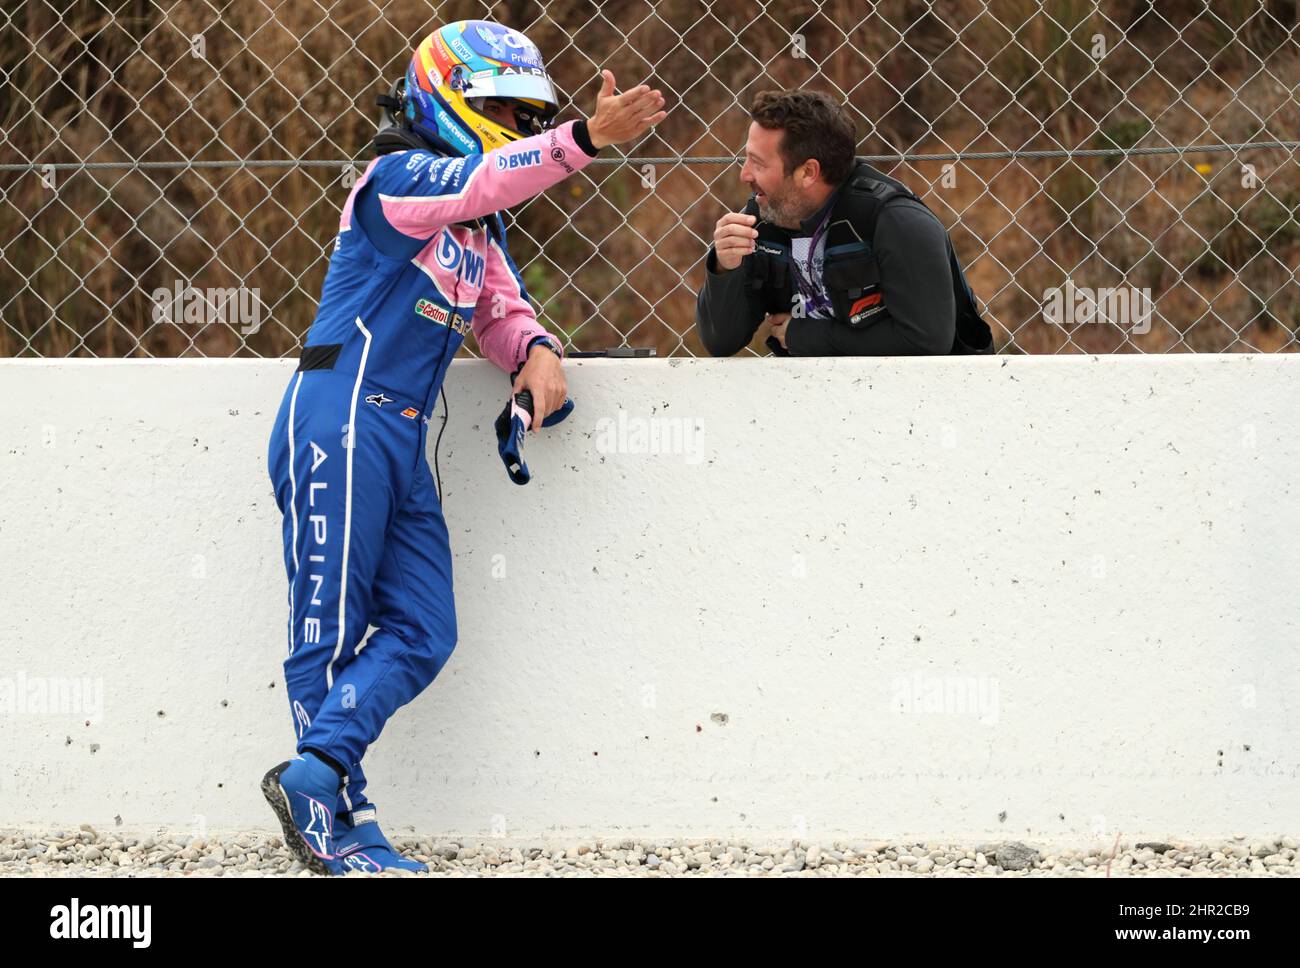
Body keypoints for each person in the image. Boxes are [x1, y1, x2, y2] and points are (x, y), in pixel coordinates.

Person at [262, 19, 665, 875]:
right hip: (337, 416)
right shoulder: (397, 179)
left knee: (424, 628)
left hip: (404, 437)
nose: (520, 126)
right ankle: (344, 828)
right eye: (505, 107)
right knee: (329, 633)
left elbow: (503, 313)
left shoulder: (481, 232)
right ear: (445, 94)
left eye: (532, 113)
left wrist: (537, 353)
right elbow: (483, 177)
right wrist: (587, 138)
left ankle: (317, 774)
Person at [696, 89, 991, 357]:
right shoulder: (763, 219)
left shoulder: (896, 221)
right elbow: (720, 342)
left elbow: (925, 340)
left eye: (758, 163)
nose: (744, 175)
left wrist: (804, 337)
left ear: (808, 172)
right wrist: (725, 268)